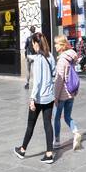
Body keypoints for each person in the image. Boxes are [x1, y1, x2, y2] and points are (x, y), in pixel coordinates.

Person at [14, 32, 55, 164]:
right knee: (48, 124)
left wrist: (32, 99)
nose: (32, 45)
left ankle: (22, 150)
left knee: (30, 125)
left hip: (38, 98)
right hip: (49, 97)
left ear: (37, 44)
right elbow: (54, 75)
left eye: (33, 43)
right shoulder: (51, 57)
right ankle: (49, 153)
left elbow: (36, 82)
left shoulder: (38, 60)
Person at [53, 35, 83, 151]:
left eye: (56, 44)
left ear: (61, 46)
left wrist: (55, 97)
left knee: (56, 118)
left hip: (62, 95)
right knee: (67, 116)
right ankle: (76, 132)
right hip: (71, 93)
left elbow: (59, 81)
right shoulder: (71, 57)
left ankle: (56, 141)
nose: (54, 46)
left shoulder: (62, 60)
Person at [22, 25, 38, 90]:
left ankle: (27, 83)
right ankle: (36, 83)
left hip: (29, 56)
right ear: (35, 30)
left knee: (28, 70)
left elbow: (25, 47)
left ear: (30, 31)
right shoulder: (37, 38)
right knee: (35, 70)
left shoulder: (28, 38)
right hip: (36, 56)